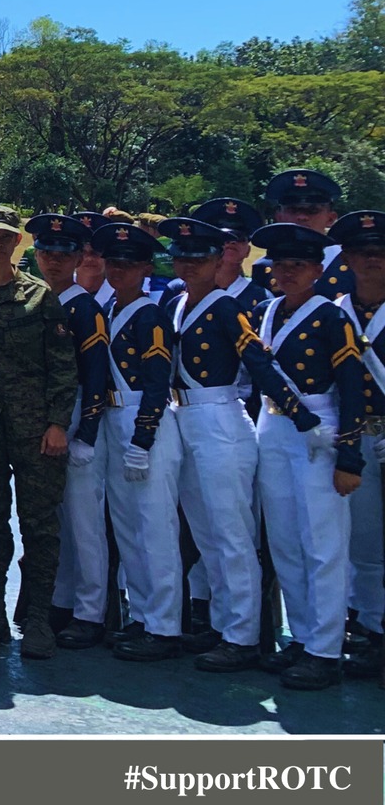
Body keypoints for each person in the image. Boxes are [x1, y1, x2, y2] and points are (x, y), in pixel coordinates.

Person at [161, 215, 299, 673]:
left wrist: (301, 415)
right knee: (204, 533)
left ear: (218, 258)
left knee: (232, 533)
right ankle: (222, 627)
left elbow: (258, 363)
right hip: (183, 415)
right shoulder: (176, 303)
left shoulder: (224, 307)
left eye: (199, 257)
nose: (189, 265)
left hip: (220, 418)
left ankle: (243, 636)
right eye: (182, 256)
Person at [0, 206, 78, 658]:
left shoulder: (41, 298)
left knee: (40, 526)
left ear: (19, 240)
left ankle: (38, 618)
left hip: (36, 433)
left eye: (6, 236)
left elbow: (63, 368)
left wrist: (59, 423)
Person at [248, 222, 366, 691]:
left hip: (320, 427)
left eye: (299, 265)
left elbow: (354, 390)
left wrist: (349, 456)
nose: (288, 272)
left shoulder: (333, 318)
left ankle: (325, 648)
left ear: (318, 269)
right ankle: (300, 637)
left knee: (323, 544)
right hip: (274, 428)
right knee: (285, 541)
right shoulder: (265, 311)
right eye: (281, 264)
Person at [79, 223, 182, 662]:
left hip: (144, 426)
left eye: (128, 263)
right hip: (114, 421)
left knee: (155, 528)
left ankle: (164, 626)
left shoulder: (150, 315)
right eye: (112, 262)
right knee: (127, 528)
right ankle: (141, 617)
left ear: (145, 267)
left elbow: (158, 382)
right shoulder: (110, 309)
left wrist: (144, 438)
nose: (118, 270)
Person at [28, 214, 113, 648]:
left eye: (64, 254)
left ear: (79, 257)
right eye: (46, 252)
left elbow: (97, 377)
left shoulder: (84, 307)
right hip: (43, 420)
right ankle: (60, 604)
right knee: (55, 521)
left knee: (85, 523)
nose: (54, 260)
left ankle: (90, 611)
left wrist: (88, 434)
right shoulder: (39, 297)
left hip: (77, 420)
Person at [327, 210, 385, 682]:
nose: (374, 260)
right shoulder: (332, 311)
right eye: (364, 252)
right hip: (354, 438)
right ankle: (369, 629)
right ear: (345, 257)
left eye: (382, 252)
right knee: (362, 545)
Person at [259, 169, 354, 299]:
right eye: (293, 210)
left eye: (312, 210)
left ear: (331, 218)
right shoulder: (263, 267)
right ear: (279, 217)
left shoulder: (352, 264)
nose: (302, 217)